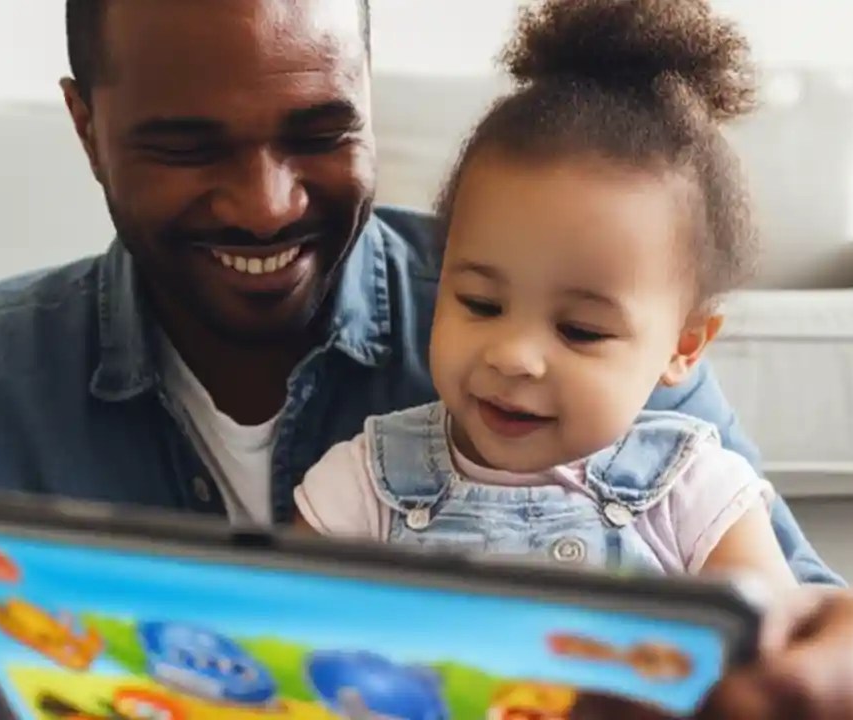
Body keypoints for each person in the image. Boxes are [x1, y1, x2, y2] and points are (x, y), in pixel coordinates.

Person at [0, 0, 853, 718]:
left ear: (371, 101)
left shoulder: (597, 315)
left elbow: (820, 635)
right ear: (86, 128)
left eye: (318, 133)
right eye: (186, 148)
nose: (265, 203)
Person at [294, 0, 796, 594]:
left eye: (579, 330)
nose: (513, 356)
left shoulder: (697, 495)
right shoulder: (364, 484)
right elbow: (275, 637)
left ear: (684, 346)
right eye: (481, 303)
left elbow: (774, 665)